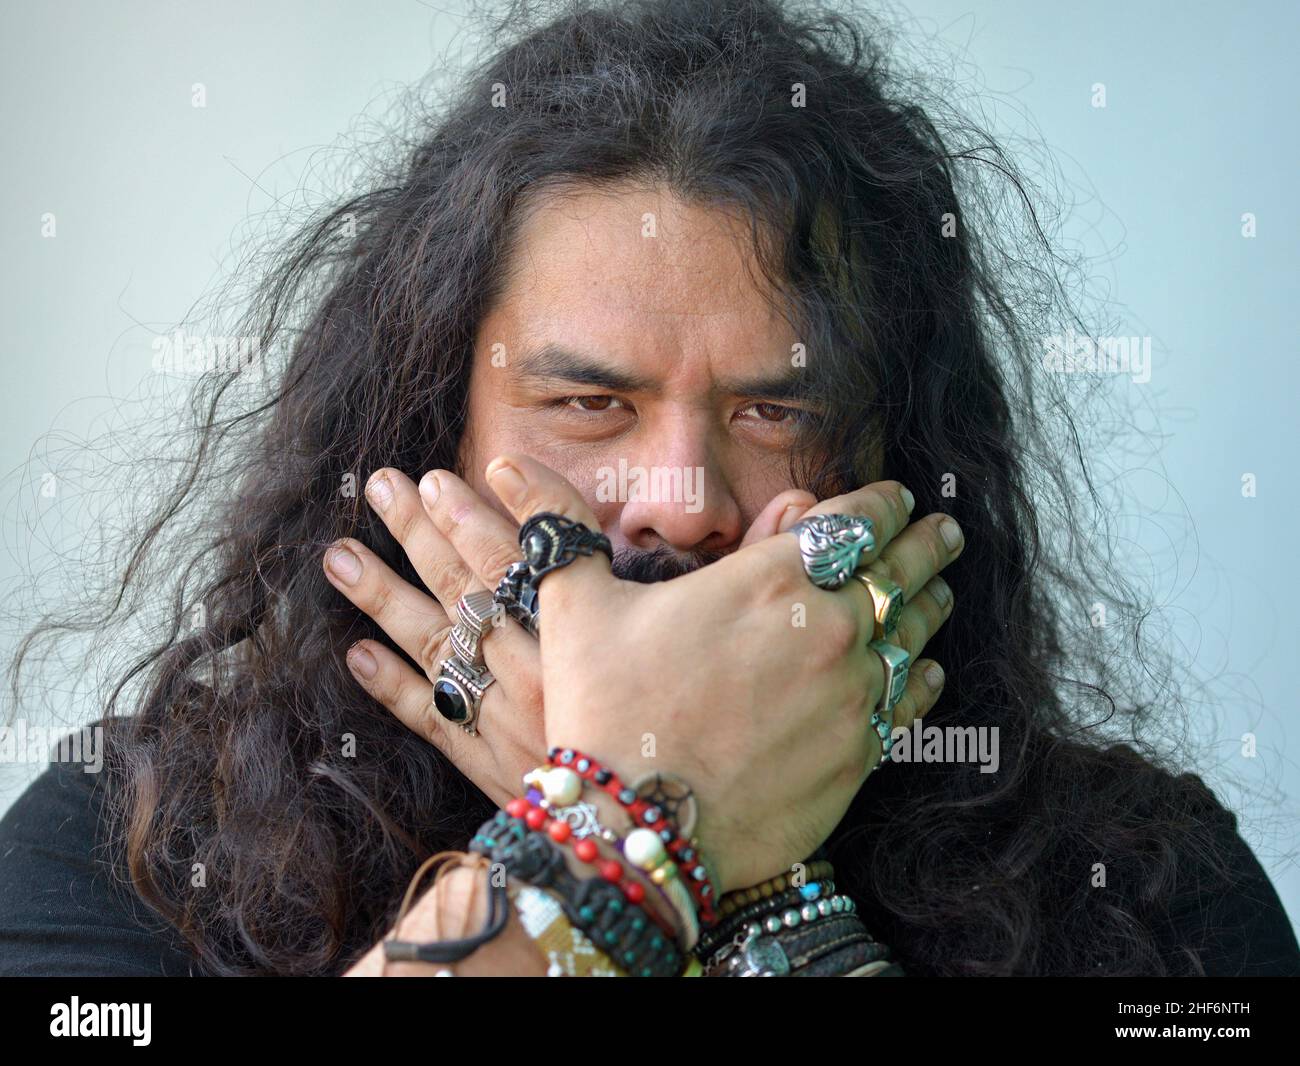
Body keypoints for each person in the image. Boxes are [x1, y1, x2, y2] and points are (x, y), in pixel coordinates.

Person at [2, 0, 1296, 976]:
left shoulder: (1143, 881)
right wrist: (623, 823)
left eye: (774, 409)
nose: (681, 501)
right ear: (429, 428)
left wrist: (718, 875)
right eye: (586, 403)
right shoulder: (147, 840)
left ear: (893, 451)